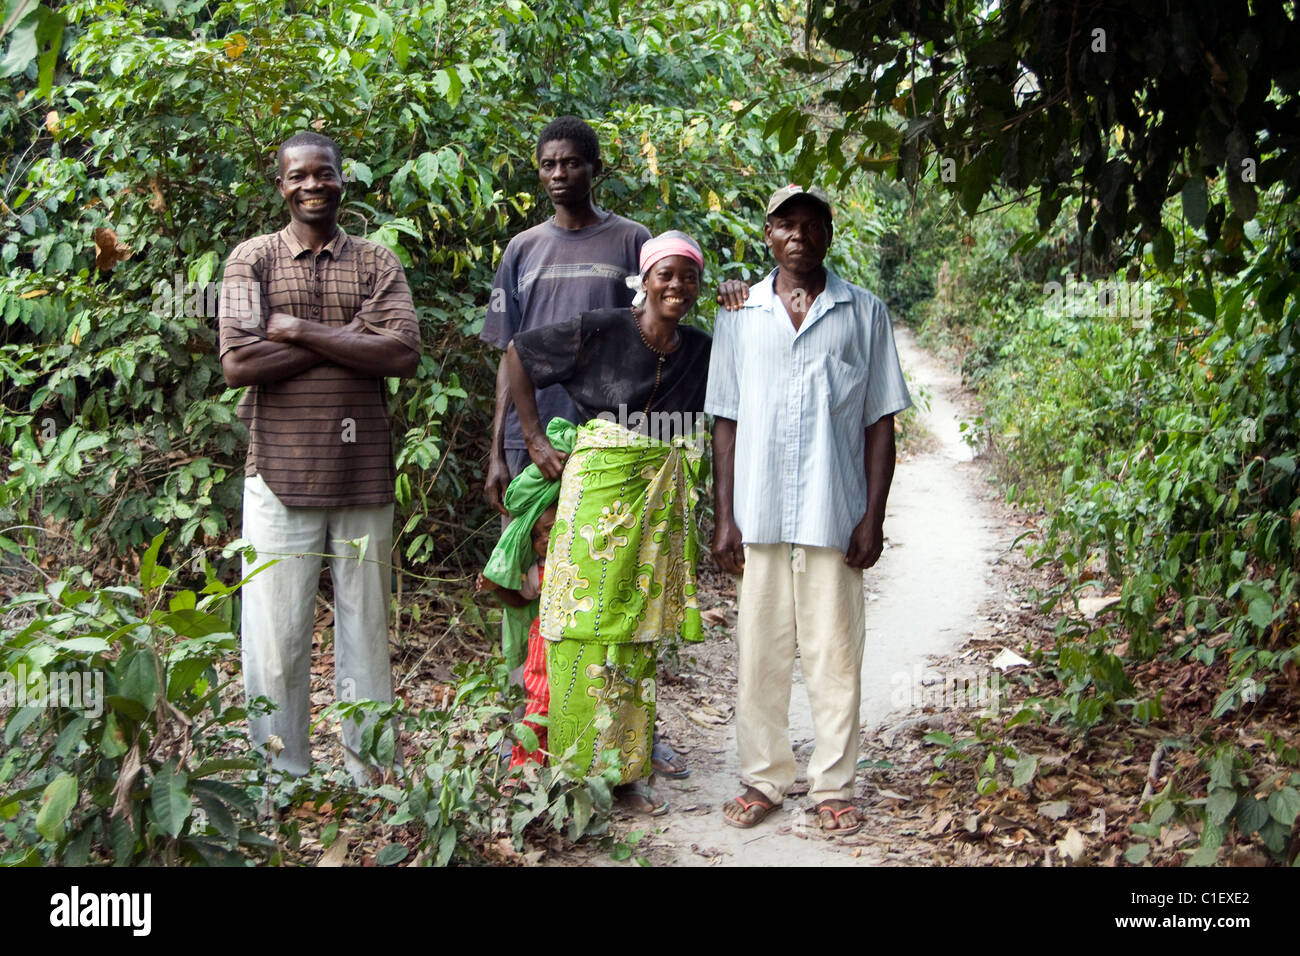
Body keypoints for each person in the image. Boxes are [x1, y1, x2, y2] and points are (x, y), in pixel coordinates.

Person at [481, 116, 688, 778]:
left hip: (614, 455)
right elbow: (509, 354)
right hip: (537, 446)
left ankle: (628, 732)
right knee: (539, 590)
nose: (558, 174)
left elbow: (659, 323)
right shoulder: (520, 250)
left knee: (618, 590)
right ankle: (539, 727)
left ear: (595, 168)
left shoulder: (632, 241)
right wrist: (506, 446)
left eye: (572, 162)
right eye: (547, 164)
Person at [706, 184, 911, 836]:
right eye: (785, 225)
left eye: (810, 224)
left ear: (829, 232)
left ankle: (833, 785)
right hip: (759, 509)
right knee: (760, 651)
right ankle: (765, 778)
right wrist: (724, 516)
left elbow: (881, 422)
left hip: (834, 507)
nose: (798, 235)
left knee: (834, 653)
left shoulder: (864, 313)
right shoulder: (740, 312)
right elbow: (725, 420)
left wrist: (873, 516)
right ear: (768, 234)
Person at [218, 131, 421, 785]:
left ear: (342, 180)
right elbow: (239, 364)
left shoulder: (376, 261)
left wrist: (300, 330)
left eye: (324, 173)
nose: (313, 185)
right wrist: (350, 335)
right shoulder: (250, 261)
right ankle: (283, 783)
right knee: (275, 644)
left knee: (366, 638)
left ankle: (370, 777)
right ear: (280, 184)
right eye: (298, 176)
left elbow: (402, 354)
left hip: (362, 475)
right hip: (276, 473)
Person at [503, 231, 712, 813]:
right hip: (595, 497)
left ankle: (623, 773)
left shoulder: (700, 347)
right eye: (665, 275)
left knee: (636, 635)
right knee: (579, 628)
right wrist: (532, 438)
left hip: (655, 507)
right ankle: (570, 768)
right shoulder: (601, 328)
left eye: (689, 277)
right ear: (643, 279)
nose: (677, 286)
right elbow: (518, 352)